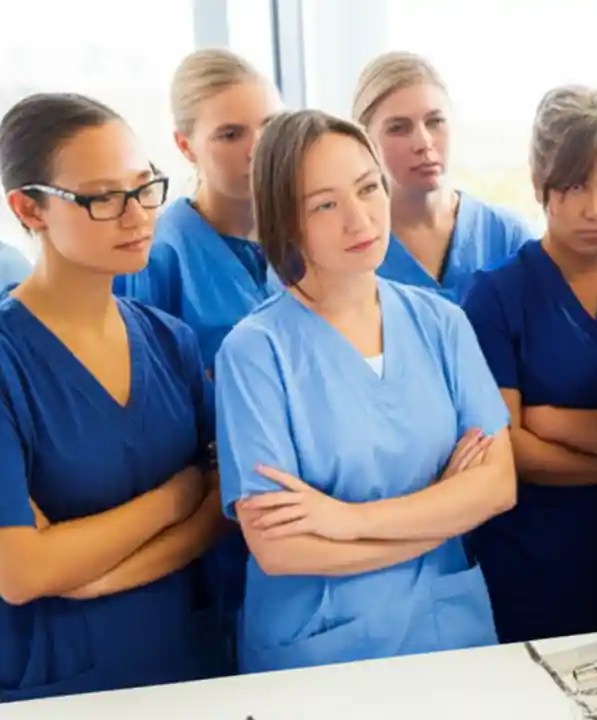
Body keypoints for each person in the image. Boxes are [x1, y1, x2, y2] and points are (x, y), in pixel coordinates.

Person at [215, 109, 516, 673]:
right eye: (325, 204)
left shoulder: (441, 322)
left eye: (367, 188)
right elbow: (280, 549)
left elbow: (498, 485)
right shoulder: (255, 352)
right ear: (286, 220)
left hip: (448, 631)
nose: (360, 220)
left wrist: (347, 521)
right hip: (322, 649)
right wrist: (441, 510)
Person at [0, 93, 226, 701]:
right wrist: (175, 495)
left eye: (145, 186)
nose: (138, 216)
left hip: (185, 663)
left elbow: (221, 506)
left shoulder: (168, 340)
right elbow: (21, 570)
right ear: (30, 208)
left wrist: (92, 575)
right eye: (102, 198)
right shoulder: (7, 361)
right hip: (58, 681)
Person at [462, 86, 597, 643]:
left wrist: (551, 421)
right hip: (534, 565)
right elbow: (507, 450)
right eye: (574, 186)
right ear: (541, 182)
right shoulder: (496, 296)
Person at [114, 48, 284, 367]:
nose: (258, 150)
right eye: (230, 135)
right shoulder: (157, 256)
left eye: (271, 126)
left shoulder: (307, 235)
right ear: (185, 146)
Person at [352, 51, 532, 304]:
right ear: (365, 140)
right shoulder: (352, 248)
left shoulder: (507, 237)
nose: (423, 143)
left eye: (435, 122)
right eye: (398, 128)